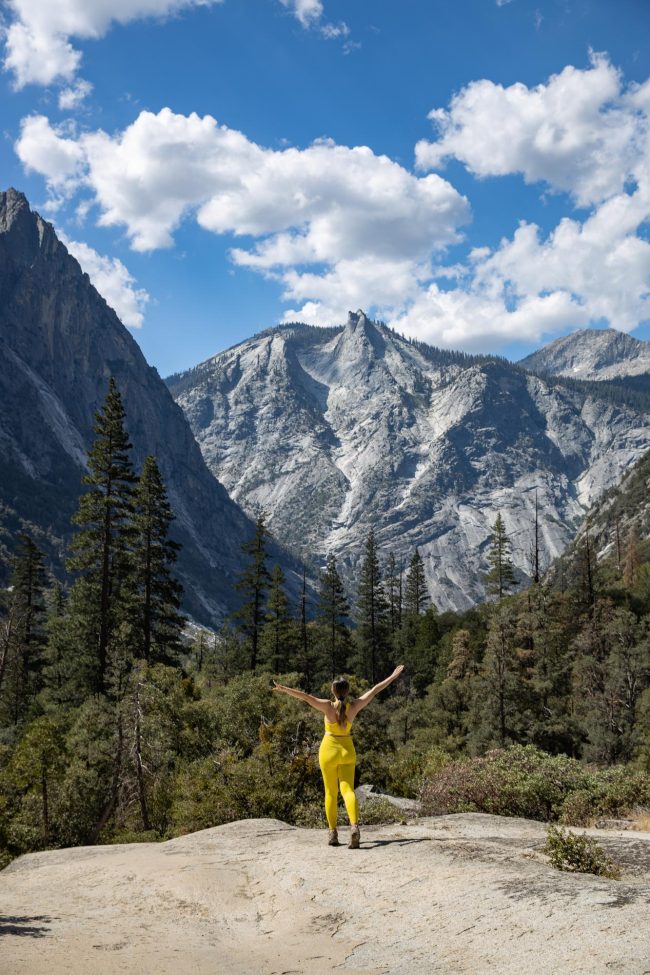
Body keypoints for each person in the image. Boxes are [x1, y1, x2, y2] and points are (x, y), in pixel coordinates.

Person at [272, 665, 405, 849]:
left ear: (332, 691)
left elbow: (305, 697)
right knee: (348, 790)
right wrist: (392, 676)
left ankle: (333, 833)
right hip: (347, 750)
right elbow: (375, 690)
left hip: (329, 750)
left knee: (330, 792)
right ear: (348, 691)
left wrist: (284, 689)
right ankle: (354, 827)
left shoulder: (327, 706)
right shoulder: (354, 706)